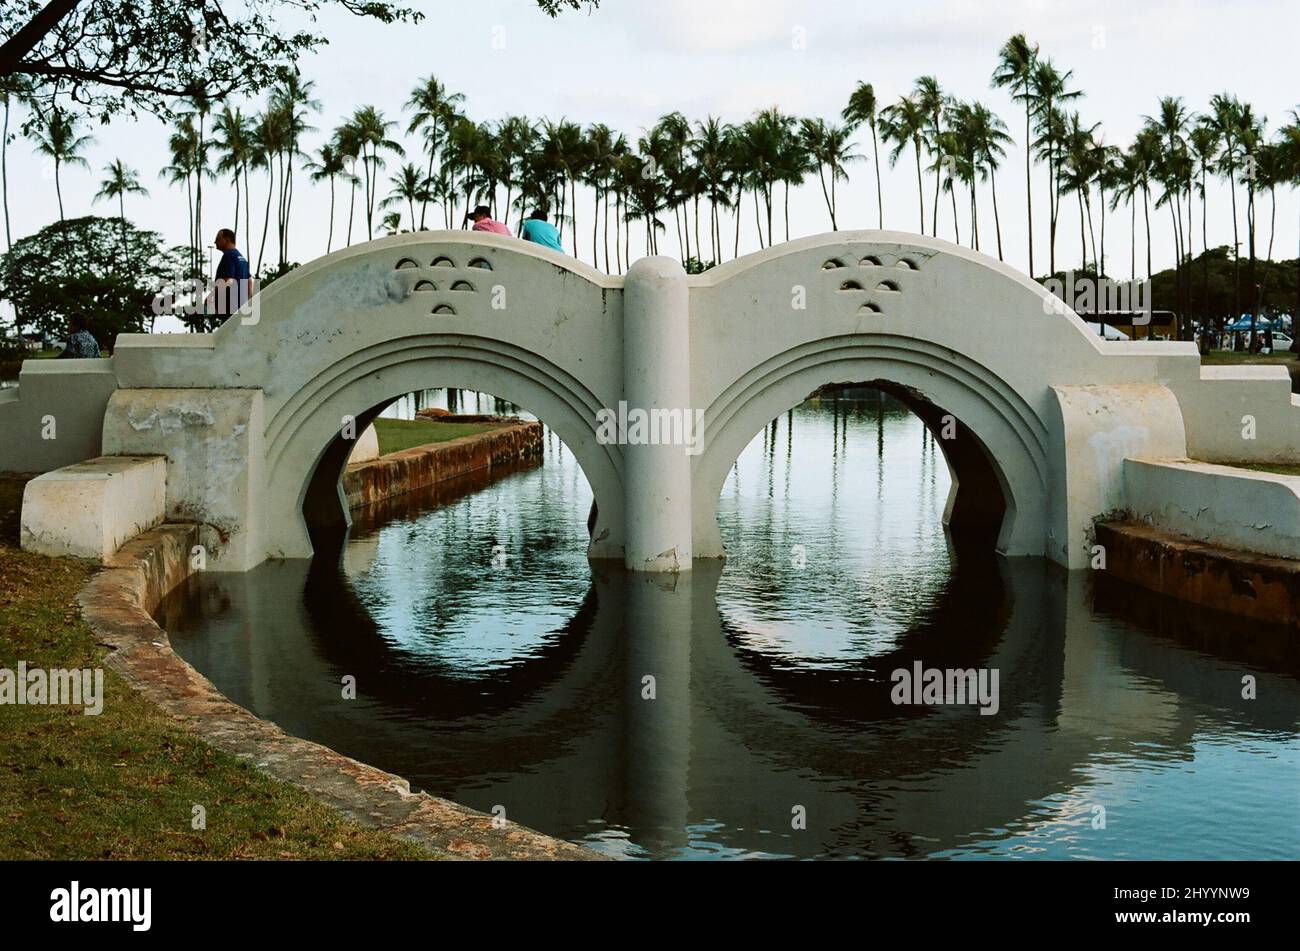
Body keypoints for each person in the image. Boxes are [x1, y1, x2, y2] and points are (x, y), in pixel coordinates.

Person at [207, 228, 252, 322]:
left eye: (218, 239)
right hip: (240, 308)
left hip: (229, 308)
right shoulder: (241, 258)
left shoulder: (228, 256)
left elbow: (228, 281)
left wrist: (211, 296)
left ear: (227, 239)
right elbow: (249, 281)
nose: (215, 242)